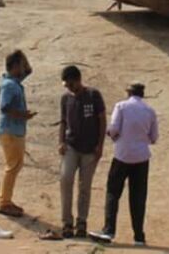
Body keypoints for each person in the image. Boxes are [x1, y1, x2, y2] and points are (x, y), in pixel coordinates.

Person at [90, 82, 158, 247]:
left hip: (122, 155)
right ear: (142, 94)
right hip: (141, 158)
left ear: (128, 93)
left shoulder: (121, 106)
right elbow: (154, 137)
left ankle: (109, 230)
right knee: (138, 197)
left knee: (113, 192)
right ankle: (139, 236)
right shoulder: (150, 111)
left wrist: (113, 136)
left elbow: (113, 129)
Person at [58, 65, 106, 238]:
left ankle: (81, 221)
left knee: (84, 186)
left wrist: (100, 145)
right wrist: (61, 141)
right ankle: (67, 222)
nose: (69, 88)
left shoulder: (93, 96)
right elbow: (63, 121)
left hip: (89, 149)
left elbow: (102, 120)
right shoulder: (65, 99)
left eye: (71, 84)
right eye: (67, 85)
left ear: (78, 80)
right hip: (71, 146)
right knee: (66, 179)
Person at [0, 50, 36, 218]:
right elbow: (4, 108)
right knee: (13, 166)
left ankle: (6, 200)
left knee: (14, 165)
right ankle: (4, 202)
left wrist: (22, 59)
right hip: (11, 131)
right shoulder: (9, 85)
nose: (23, 68)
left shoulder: (12, 81)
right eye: (20, 64)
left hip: (14, 130)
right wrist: (23, 115)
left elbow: (29, 71)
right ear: (14, 66)